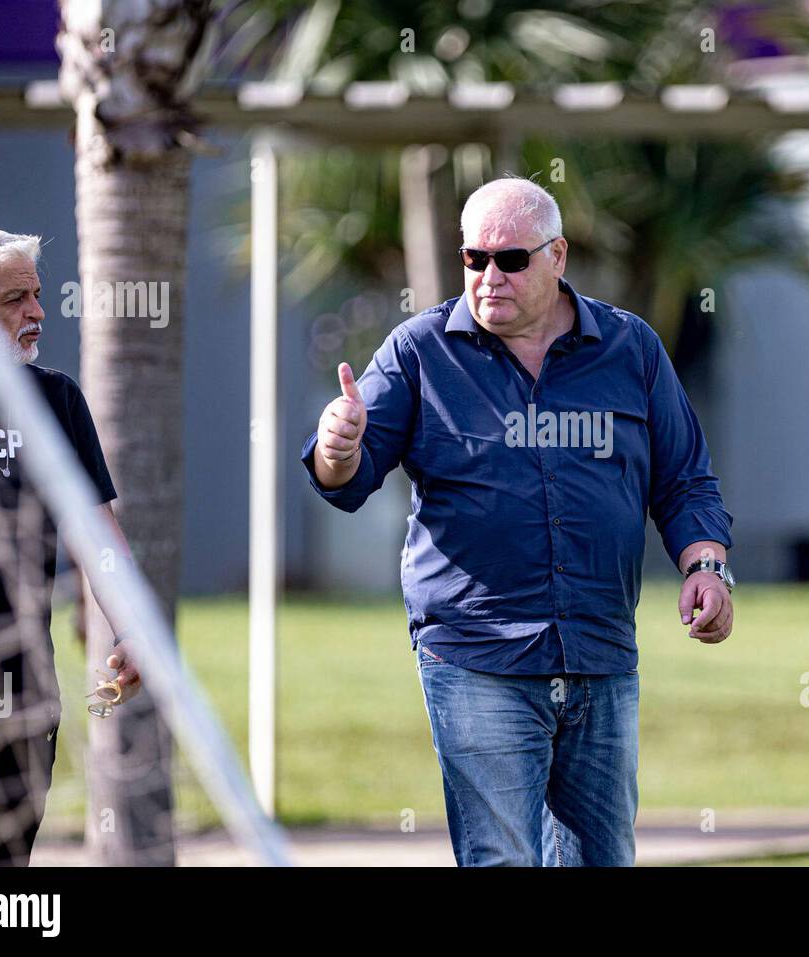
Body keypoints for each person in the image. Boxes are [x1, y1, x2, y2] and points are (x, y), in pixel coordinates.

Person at [301, 178, 735, 866]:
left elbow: (683, 478)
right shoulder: (419, 352)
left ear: (557, 255)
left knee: (603, 858)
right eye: (475, 259)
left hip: (599, 650)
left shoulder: (632, 349)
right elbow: (344, 480)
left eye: (510, 259)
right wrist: (337, 445)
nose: (488, 276)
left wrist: (706, 566)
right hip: (477, 654)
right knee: (502, 858)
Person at [0, 227, 141, 865]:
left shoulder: (57, 402)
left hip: (21, 690)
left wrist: (130, 628)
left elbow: (99, 537)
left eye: (36, 296)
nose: (37, 313)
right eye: (15, 299)